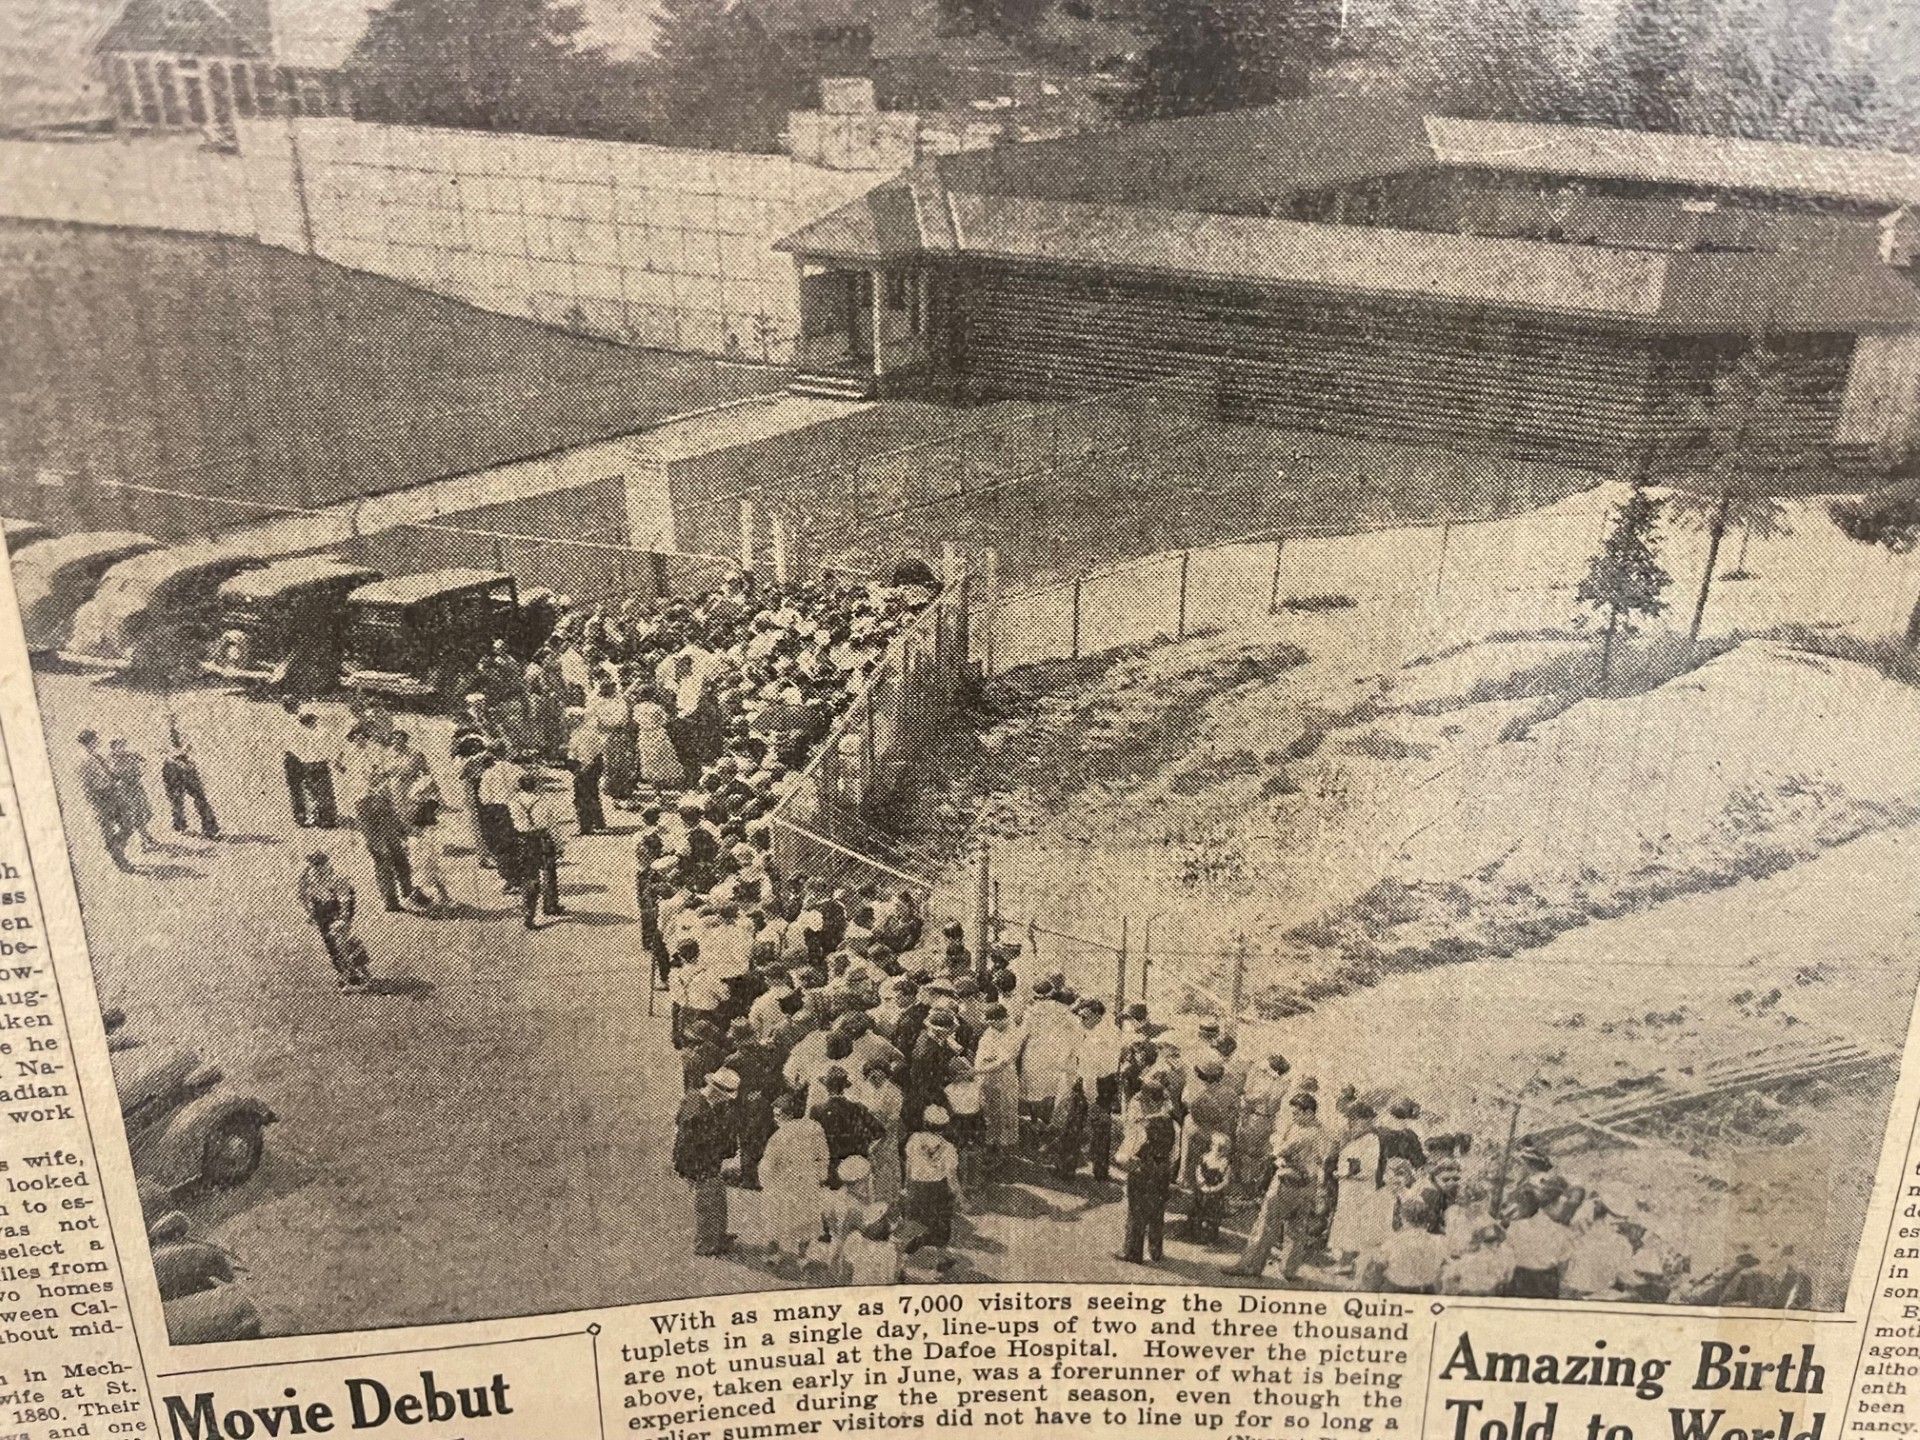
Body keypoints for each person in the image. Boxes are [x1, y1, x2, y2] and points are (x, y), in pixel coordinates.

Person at [1224, 1091, 1331, 1280]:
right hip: (1307, 1185)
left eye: (1297, 1113)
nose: (1294, 1116)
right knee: (1296, 1229)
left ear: (1309, 1113)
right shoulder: (1319, 1131)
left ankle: (1250, 1266)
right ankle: (1288, 1270)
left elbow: (1280, 1149)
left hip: (1288, 1183)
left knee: (1266, 1225)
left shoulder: (1310, 1133)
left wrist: (1280, 1154)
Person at [755, 1092, 829, 1262]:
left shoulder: (779, 1136)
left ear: (787, 1115)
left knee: (775, 1217)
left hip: (784, 1183)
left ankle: (775, 1253)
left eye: (777, 1115)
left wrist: (765, 1181)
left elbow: (768, 1164)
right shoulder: (814, 1128)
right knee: (805, 1219)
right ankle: (802, 1257)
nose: (775, 1119)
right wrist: (820, 1175)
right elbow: (823, 1154)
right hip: (807, 1181)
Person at [674, 1067, 740, 1257]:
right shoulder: (698, 1111)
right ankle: (706, 1243)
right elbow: (690, 1144)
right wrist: (691, 1173)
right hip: (700, 1165)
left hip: (709, 1163)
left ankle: (719, 1235)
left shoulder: (694, 1097)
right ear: (717, 1092)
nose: (725, 1101)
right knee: (706, 1202)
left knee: (717, 1197)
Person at [1114, 1082, 1178, 1264]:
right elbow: (1176, 1153)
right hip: (1162, 1171)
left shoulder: (1142, 1126)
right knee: (1157, 1212)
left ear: (1148, 1101)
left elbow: (1124, 1155)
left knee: (1136, 1212)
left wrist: (1125, 1160)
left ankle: (1132, 1252)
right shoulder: (1171, 1124)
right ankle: (1156, 1252)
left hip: (1142, 1171)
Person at [297, 851, 369, 990]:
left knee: (342, 940)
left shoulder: (337, 879)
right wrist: (311, 913)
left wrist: (343, 919)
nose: (316, 868)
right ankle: (345, 973)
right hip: (322, 912)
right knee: (331, 944)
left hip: (337, 908)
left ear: (326, 864)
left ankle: (360, 972)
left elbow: (345, 901)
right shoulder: (307, 879)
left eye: (320, 865)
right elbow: (304, 897)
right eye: (314, 865)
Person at [902, 1105, 962, 1267]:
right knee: (941, 1223)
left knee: (916, 1222)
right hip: (938, 1189)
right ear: (944, 1127)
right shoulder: (949, 1148)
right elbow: (951, 1177)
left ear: (925, 1123)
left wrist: (906, 1186)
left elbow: (908, 1165)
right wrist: (959, 1196)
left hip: (916, 1186)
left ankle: (904, 1260)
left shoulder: (914, 1139)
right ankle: (941, 1259)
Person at [509, 772, 564, 929]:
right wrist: (559, 845)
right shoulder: (543, 802)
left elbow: (513, 825)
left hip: (524, 840)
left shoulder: (514, 802)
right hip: (543, 839)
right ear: (535, 786)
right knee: (549, 872)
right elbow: (553, 826)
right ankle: (550, 905)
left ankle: (529, 912)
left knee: (529, 876)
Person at [77, 730, 134, 871]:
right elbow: (86, 786)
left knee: (128, 825)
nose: (98, 741)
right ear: (89, 742)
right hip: (100, 798)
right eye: (95, 739)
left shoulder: (98, 756)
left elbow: (110, 774)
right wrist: (95, 804)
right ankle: (120, 859)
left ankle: (113, 846)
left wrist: (118, 778)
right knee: (108, 829)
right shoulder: (84, 761)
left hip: (113, 793)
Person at [286, 707, 337, 827]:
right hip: (312, 764)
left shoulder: (317, 732)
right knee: (318, 791)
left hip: (312, 763)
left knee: (317, 791)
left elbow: (295, 749)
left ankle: (323, 818)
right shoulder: (317, 732)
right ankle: (322, 817)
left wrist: (304, 759)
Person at [160, 738, 221, 839]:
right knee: (176, 799)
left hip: (186, 766)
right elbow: (159, 749)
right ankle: (180, 826)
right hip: (171, 767)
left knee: (200, 797)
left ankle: (210, 828)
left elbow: (192, 745)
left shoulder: (185, 728)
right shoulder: (158, 728)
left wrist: (184, 752)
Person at [107, 738, 159, 852]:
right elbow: (113, 775)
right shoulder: (112, 760)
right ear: (113, 748)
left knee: (144, 812)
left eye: (123, 745)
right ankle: (144, 843)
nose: (121, 749)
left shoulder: (131, 755)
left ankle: (146, 836)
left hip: (137, 788)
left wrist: (142, 770)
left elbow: (145, 761)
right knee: (135, 815)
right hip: (125, 790)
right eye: (118, 746)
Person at [1189, 1131, 1233, 1244]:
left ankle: (1210, 1237)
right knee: (1198, 1211)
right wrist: (1203, 1185)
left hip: (1216, 1193)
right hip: (1201, 1190)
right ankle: (1196, 1235)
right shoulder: (1204, 1158)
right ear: (1212, 1145)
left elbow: (1225, 1181)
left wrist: (1214, 1189)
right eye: (1216, 1146)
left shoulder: (1225, 1162)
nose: (1218, 1150)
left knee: (1213, 1215)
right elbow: (1198, 1173)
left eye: (1221, 1148)